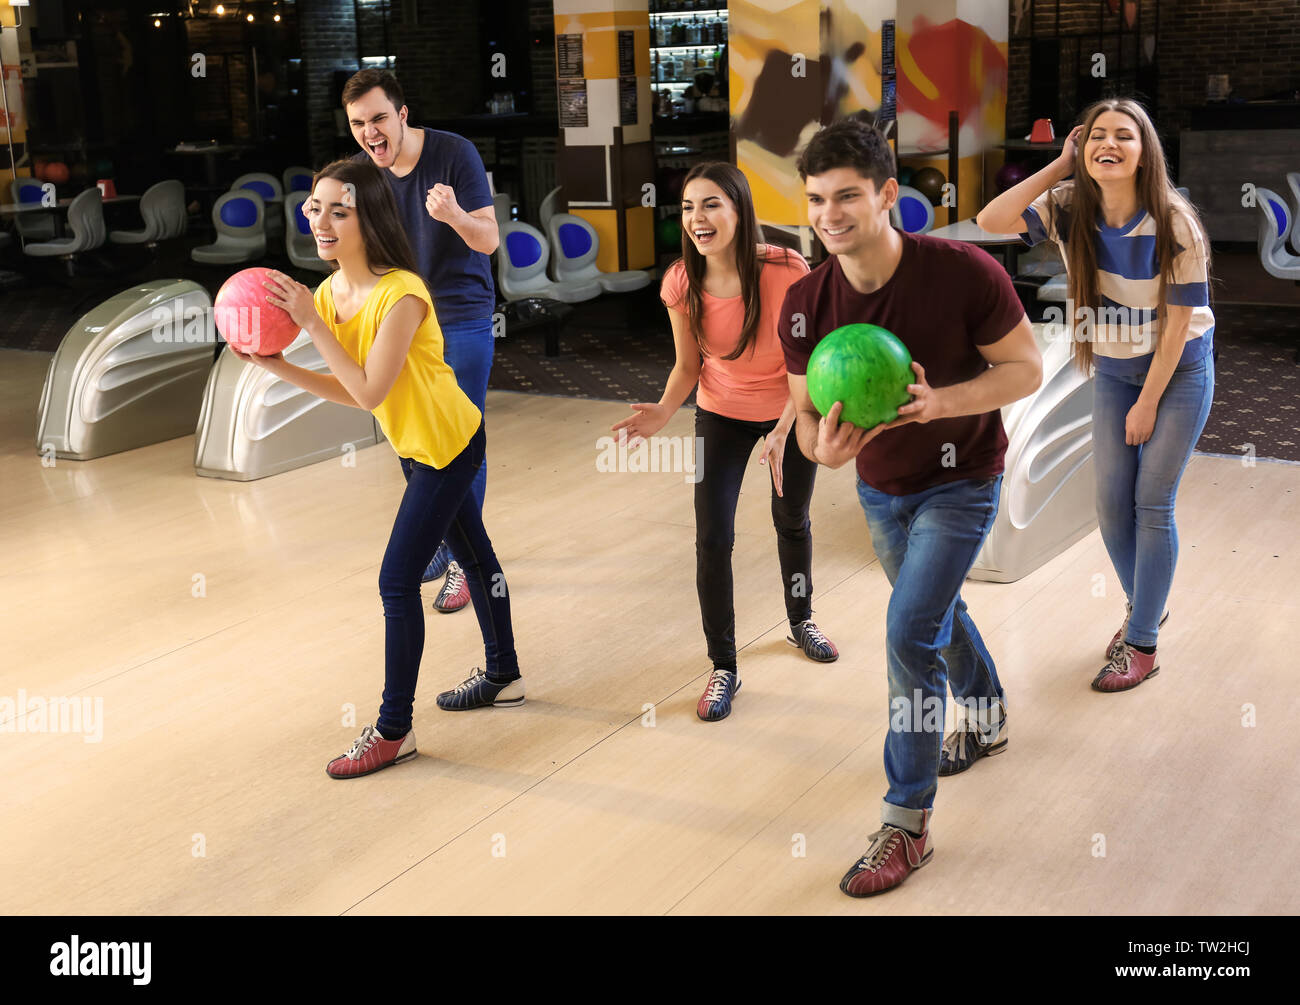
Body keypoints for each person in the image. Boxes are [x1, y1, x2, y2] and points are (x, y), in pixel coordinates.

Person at [778, 114, 1043, 896]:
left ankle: (906, 822)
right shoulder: (805, 302)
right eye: (818, 199)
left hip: (963, 480)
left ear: (889, 194)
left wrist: (942, 404)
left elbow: (1025, 368)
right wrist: (817, 449)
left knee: (906, 631)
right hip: (880, 488)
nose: (830, 215)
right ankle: (987, 713)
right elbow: (802, 412)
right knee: (933, 617)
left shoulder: (963, 272)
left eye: (848, 196)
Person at [238, 159, 523, 780]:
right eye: (316, 207)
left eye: (340, 210)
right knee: (475, 557)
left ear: (370, 219)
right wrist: (276, 366)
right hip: (414, 444)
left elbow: (368, 392)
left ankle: (396, 730)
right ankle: (504, 676)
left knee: (397, 583)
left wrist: (311, 328)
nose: (323, 221)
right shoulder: (329, 294)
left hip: (449, 445)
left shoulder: (403, 294)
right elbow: (357, 390)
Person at [977, 98, 1214, 693]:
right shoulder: (1068, 206)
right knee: (1110, 504)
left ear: (1144, 151)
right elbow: (991, 220)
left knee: (1151, 502)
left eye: (1124, 137)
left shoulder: (1174, 220)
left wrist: (1147, 403)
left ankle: (1141, 642)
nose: (1109, 145)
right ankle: (1146, 608)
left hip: (1177, 371)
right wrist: (1059, 167)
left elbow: (1180, 325)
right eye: (1096, 136)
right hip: (1111, 369)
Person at [612, 162, 839, 723]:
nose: (697, 218)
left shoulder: (786, 268)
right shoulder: (680, 282)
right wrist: (664, 409)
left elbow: (811, 361)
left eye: (711, 204)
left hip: (789, 408)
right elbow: (688, 365)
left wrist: (789, 423)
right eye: (688, 207)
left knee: (792, 517)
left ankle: (801, 617)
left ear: (739, 210)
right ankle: (723, 666)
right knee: (713, 537)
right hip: (722, 414)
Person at [342, 68, 500, 615]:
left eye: (379, 118)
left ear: (403, 115)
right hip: (400, 317)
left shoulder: (455, 154)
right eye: (359, 123)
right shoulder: (360, 176)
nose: (370, 132)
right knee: (412, 440)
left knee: (459, 439)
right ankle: (444, 538)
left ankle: (466, 561)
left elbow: (489, 239)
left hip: (460, 314)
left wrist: (453, 215)